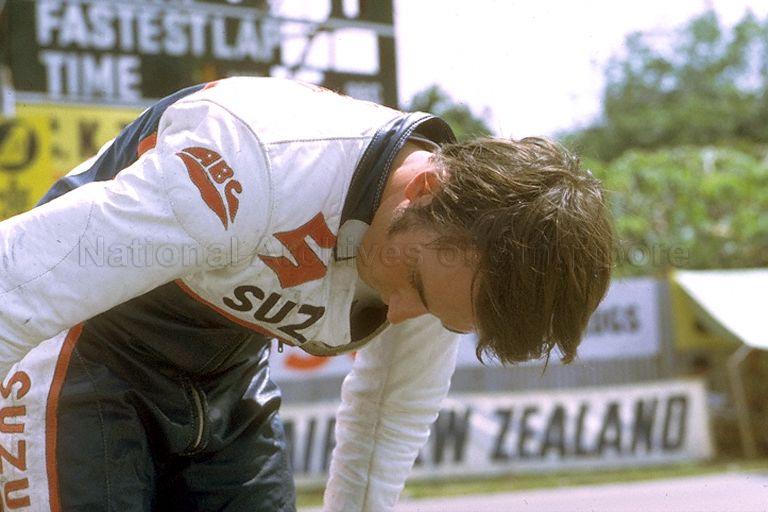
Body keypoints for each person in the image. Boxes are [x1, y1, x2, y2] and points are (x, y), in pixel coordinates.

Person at [0, 77, 613, 511]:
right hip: (86, 348)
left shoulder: (453, 259)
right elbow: (13, 282)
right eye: (414, 288)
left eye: (434, 312)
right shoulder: (250, 165)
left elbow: (386, 416)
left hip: (226, 380)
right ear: (424, 187)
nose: (399, 315)